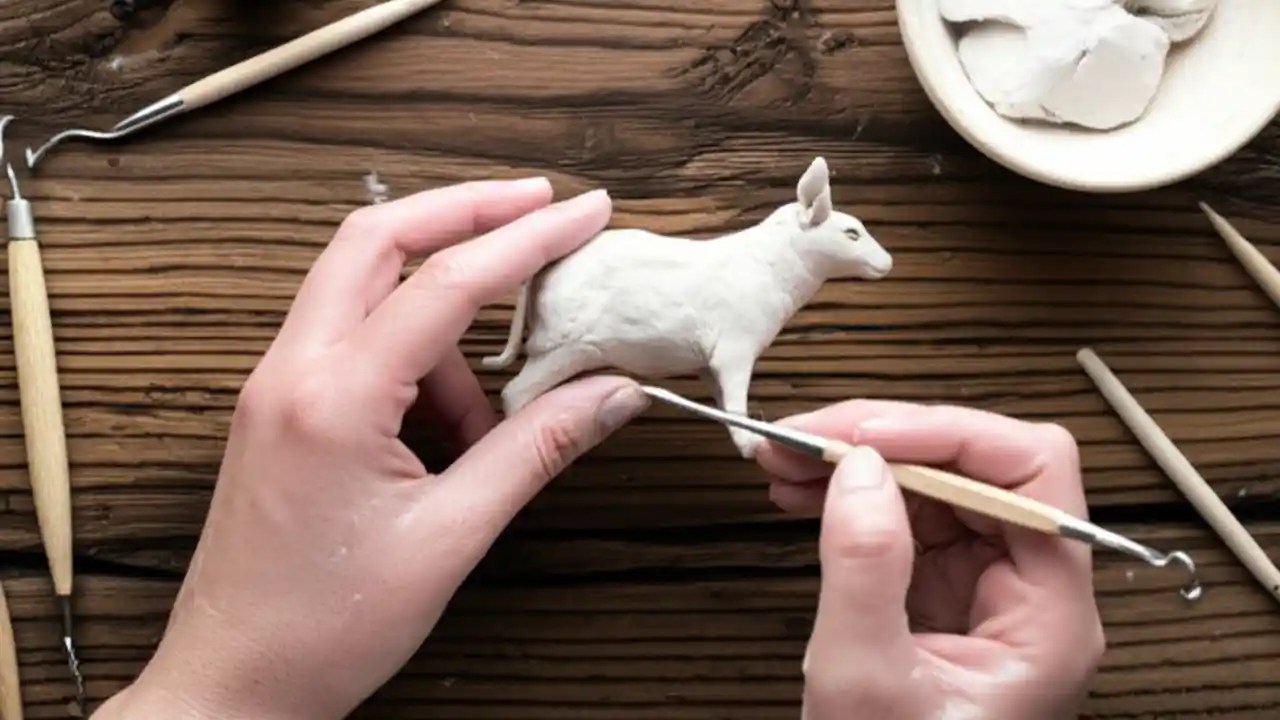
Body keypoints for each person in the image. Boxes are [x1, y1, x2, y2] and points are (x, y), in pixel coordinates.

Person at [91, 179, 1105, 720]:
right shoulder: (752, 278)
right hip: (614, 290)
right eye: (848, 236)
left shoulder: (770, 273)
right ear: (809, 219)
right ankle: (529, 397)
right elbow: (728, 350)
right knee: (555, 367)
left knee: (553, 368)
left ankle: (526, 397)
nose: (864, 254)